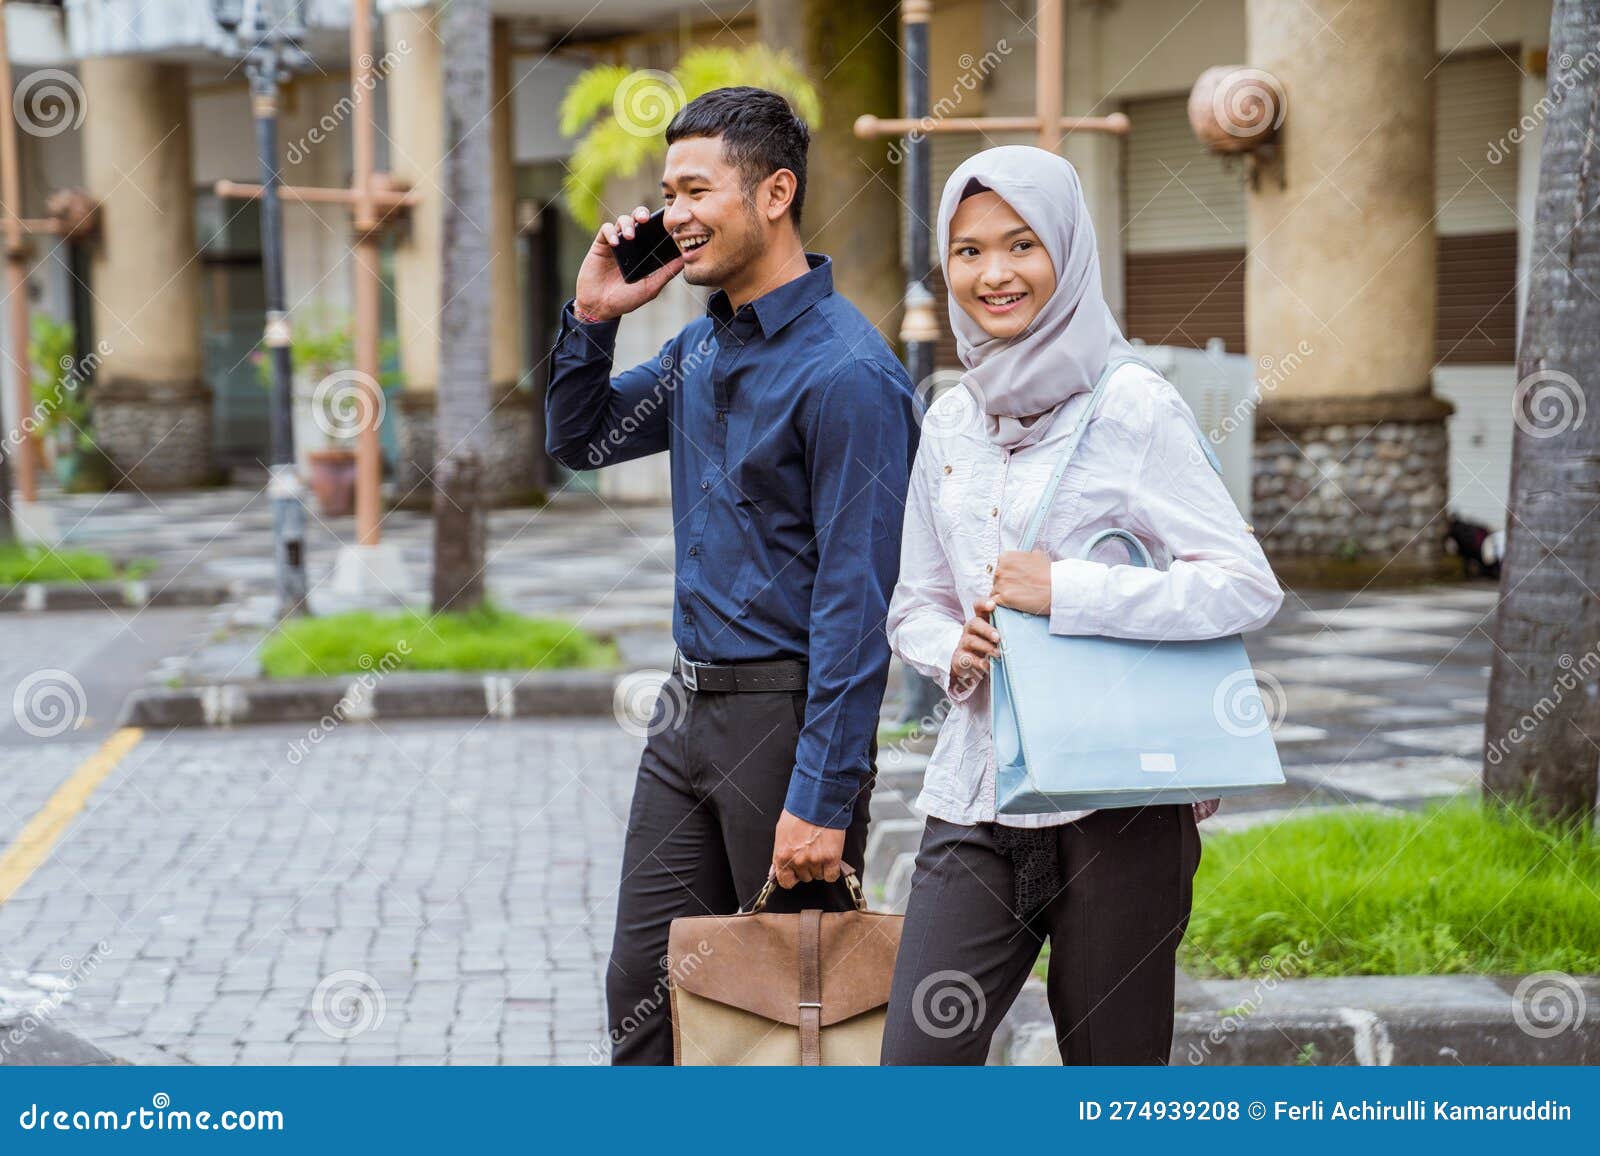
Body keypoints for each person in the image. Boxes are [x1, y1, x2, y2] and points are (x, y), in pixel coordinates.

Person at [879, 146, 1283, 1066]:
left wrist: (1065, 590)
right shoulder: (948, 417)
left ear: (1065, 251)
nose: (994, 274)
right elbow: (914, 601)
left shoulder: (1132, 404)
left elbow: (1243, 582)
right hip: (977, 794)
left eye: (1021, 245)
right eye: (970, 251)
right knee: (913, 1067)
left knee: (1112, 1084)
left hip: (1121, 805)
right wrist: (954, 650)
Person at [545, 86, 918, 1066]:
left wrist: (824, 794)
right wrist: (591, 314)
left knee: (786, 1026)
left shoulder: (850, 374)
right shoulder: (700, 347)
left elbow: (855, 599)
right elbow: (579, 438)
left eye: (696, 188)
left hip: (784, 722)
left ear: (774, 192)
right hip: (687, 715)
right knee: (644, 997)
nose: (674, 214)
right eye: (667, 191)